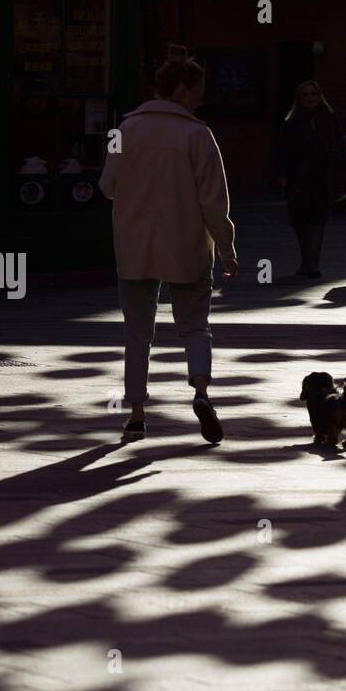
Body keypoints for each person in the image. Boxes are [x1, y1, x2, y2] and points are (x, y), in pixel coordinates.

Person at [98, 46, 238, 444]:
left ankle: (137, 414)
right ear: (181, 89)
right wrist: (227, 249)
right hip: (188, 245)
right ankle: (200, 392)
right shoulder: (199, 135)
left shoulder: (124, 131)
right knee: (195, 327)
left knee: (137, 333)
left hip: (135, 245)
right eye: (198, 90)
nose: (201, 98)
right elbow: (214, 203)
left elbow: (108, 186)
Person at [275, 80, 346, 279]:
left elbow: (338, 147)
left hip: (320, 179)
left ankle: (312, 263)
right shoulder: (292, 121)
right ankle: (306, 260)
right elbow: (282, 150)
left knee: (317, 220)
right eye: (305, 95)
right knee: (300, 221)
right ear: (299, 98)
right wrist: (282, 174)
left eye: (313, 94)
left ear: (319, 95)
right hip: (298, 179)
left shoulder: (328, 118)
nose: (310, 98)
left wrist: (339, 172)